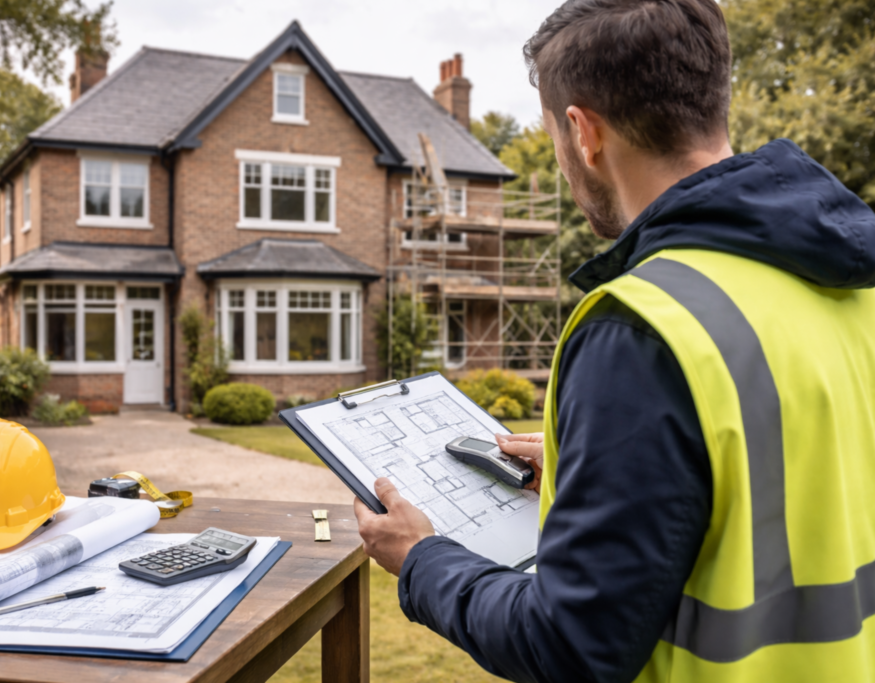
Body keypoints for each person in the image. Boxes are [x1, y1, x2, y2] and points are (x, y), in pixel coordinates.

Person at [354, 0, 875, 681]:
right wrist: (604, 461)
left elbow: (569, 644)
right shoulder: (849, 281)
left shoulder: (643, 325)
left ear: (582, 132)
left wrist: (422, 560)